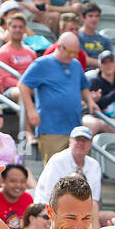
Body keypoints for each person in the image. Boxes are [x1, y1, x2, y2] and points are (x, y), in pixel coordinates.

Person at [20, 33, 95, 163]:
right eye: (70, 52)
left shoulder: (76, 64)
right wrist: (31, 110)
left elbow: (83, 86)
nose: (72, 55)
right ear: (59, 47)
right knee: (53, 172)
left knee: (75, 173)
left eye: (75, 52)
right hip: (51, 129)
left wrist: (90, 100)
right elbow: (23, 85)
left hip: (74, 129)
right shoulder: (42, 64)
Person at [32, 125, 101, 216]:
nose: (80, 143)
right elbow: (51, 195)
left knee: (108, 214)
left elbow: (94, 199)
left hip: (79, 210)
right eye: (77, 139)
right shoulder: (57, 160)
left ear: (90, 144)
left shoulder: (94, 165)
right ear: (70, 142)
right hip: (48, 209)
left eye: (84, 140)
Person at [0, 163, 32, 229]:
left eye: (22, 181)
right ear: (3, 181)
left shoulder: (28, 198)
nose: (18, 185)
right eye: (13, 181)